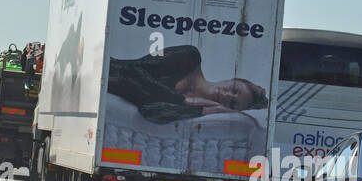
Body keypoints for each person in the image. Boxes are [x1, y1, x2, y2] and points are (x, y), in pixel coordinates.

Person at [106, 45, 267, 124]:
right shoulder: (189, 57)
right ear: (234, 79)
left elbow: (150, 112)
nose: (226, 96)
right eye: (234, 90)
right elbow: (131, 71)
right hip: (104, 68)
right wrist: (182, 100)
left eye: (232, 103)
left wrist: (203, 110)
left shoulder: (194, 108)